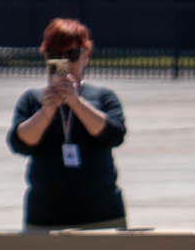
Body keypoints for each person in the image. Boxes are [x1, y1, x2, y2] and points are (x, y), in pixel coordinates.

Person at [8, 17, 129, 230]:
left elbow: (114, 135)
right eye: (56, 56)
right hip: (45, 217)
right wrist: (47, 111)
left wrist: (76, 103)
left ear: (86, 55)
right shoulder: (33, 99)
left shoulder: (103, 97)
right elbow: (20, 143)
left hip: (102, 215)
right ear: (46, 57)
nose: (65, 63)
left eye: (72, 55)